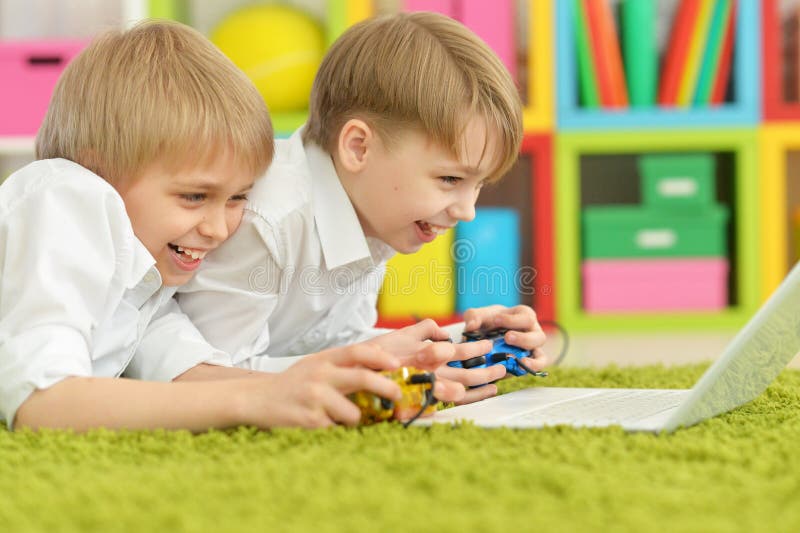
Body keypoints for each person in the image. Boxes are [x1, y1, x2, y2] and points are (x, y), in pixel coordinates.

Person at [0, 20, 446, 432]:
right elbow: (43, 401)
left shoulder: (148, 280)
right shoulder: (66, 197)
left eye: (237, 198)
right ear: (100, 171)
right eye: (194, 196)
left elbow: (191, 375)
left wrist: (392, 366)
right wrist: (249, 403)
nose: (218, 229)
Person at [178, 12, 548, 404]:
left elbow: (334, 342)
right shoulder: (267, 219)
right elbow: (210, 375)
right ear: (358, 147)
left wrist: (463, 345)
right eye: (451, 180)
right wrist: (373, 368)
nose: (467, 211)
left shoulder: (372, 207)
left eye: (479, 185)